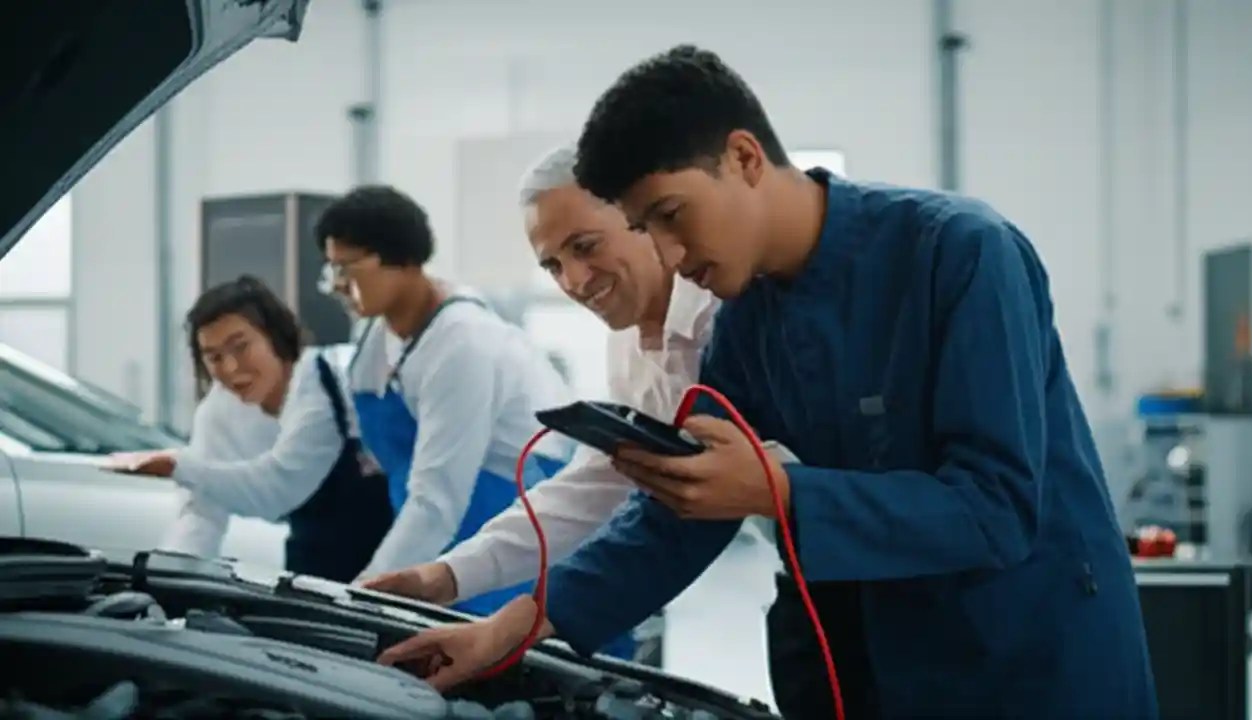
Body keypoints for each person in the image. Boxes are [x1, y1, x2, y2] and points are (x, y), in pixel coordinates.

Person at [375, 46, 1159, 719]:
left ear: (745, 158)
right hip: (888, 660)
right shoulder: (747, 320)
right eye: (647, 230)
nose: (669, 255)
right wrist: (509, 627)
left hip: (1033, 660)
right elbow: (676, 516)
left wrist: (780, 492)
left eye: (672, 215)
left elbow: (998, 508)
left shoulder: (958, 254)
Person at [359, 145, 721, 661]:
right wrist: (447, 575)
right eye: (553, 265)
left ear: (641, 216)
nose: (574, 281)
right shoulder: (627, 344)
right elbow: (599, 481)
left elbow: (683, 511)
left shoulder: (724, 317)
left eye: (586, 246)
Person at [315, 185, 574, 616]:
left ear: (403, 260)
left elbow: (438, 500)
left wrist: (362, 597)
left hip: (499, 523)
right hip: (433, 525)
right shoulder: (375, 335)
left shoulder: (462, 342)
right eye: (332, 269)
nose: (338, 285)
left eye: (348, 268)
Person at [110, 276, 393, 582]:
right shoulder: (218, 413)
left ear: (276, 336)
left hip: (394, 553)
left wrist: (178, 466)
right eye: (214, 357)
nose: (231, 368)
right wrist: (168, 580)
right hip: (315, 563)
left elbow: (280, 486)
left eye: (241, 347)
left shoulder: (330, 379)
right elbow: (201, 512)